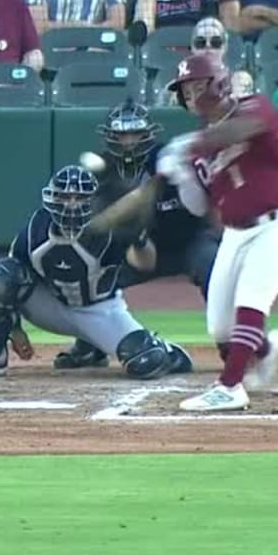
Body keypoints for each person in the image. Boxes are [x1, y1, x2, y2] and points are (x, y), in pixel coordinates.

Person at [156, 52, 278, 412]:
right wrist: (182, 178)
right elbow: (201, 207)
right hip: (236, 233)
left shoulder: (255, 107)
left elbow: (240, 130)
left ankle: (230, 386)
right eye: (185, 90)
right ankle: (265, 349)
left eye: (195, 86)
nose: (190, 95)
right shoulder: (200, 149)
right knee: (219, 328)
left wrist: (189, 145)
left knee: (252, 301)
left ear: (218, 82)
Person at [0, 165, 194, 380]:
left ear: (92, 201)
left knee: (147, 363)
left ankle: (115, 348)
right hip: (50, 307)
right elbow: (11, 280)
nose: (71, 205)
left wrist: (138, 239)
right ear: (52, 199)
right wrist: (15, 329)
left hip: (99, 311)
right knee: (1, 276)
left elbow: (145, 265)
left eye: (79, 198)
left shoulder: (107, 233)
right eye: (65, 197)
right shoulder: (36, 230)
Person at [49, 100, 223, 371]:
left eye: (135, 134)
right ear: (110, 137)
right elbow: (100, 227)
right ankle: (89, 346)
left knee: (213, 265)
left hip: (190, 238)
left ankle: (233, 345)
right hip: (139, 245)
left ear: (148, 135)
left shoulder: (165, 157)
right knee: (90, 274)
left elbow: (153, 194)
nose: (129, 141)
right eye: (121, 135)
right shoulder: (101, 174)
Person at [188, 17, 256, 100]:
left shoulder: (239, 81)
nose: (208, 46)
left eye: (216, 42)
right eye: (200, 42)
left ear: (225, 47)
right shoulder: (179, 86)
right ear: (192, 47)